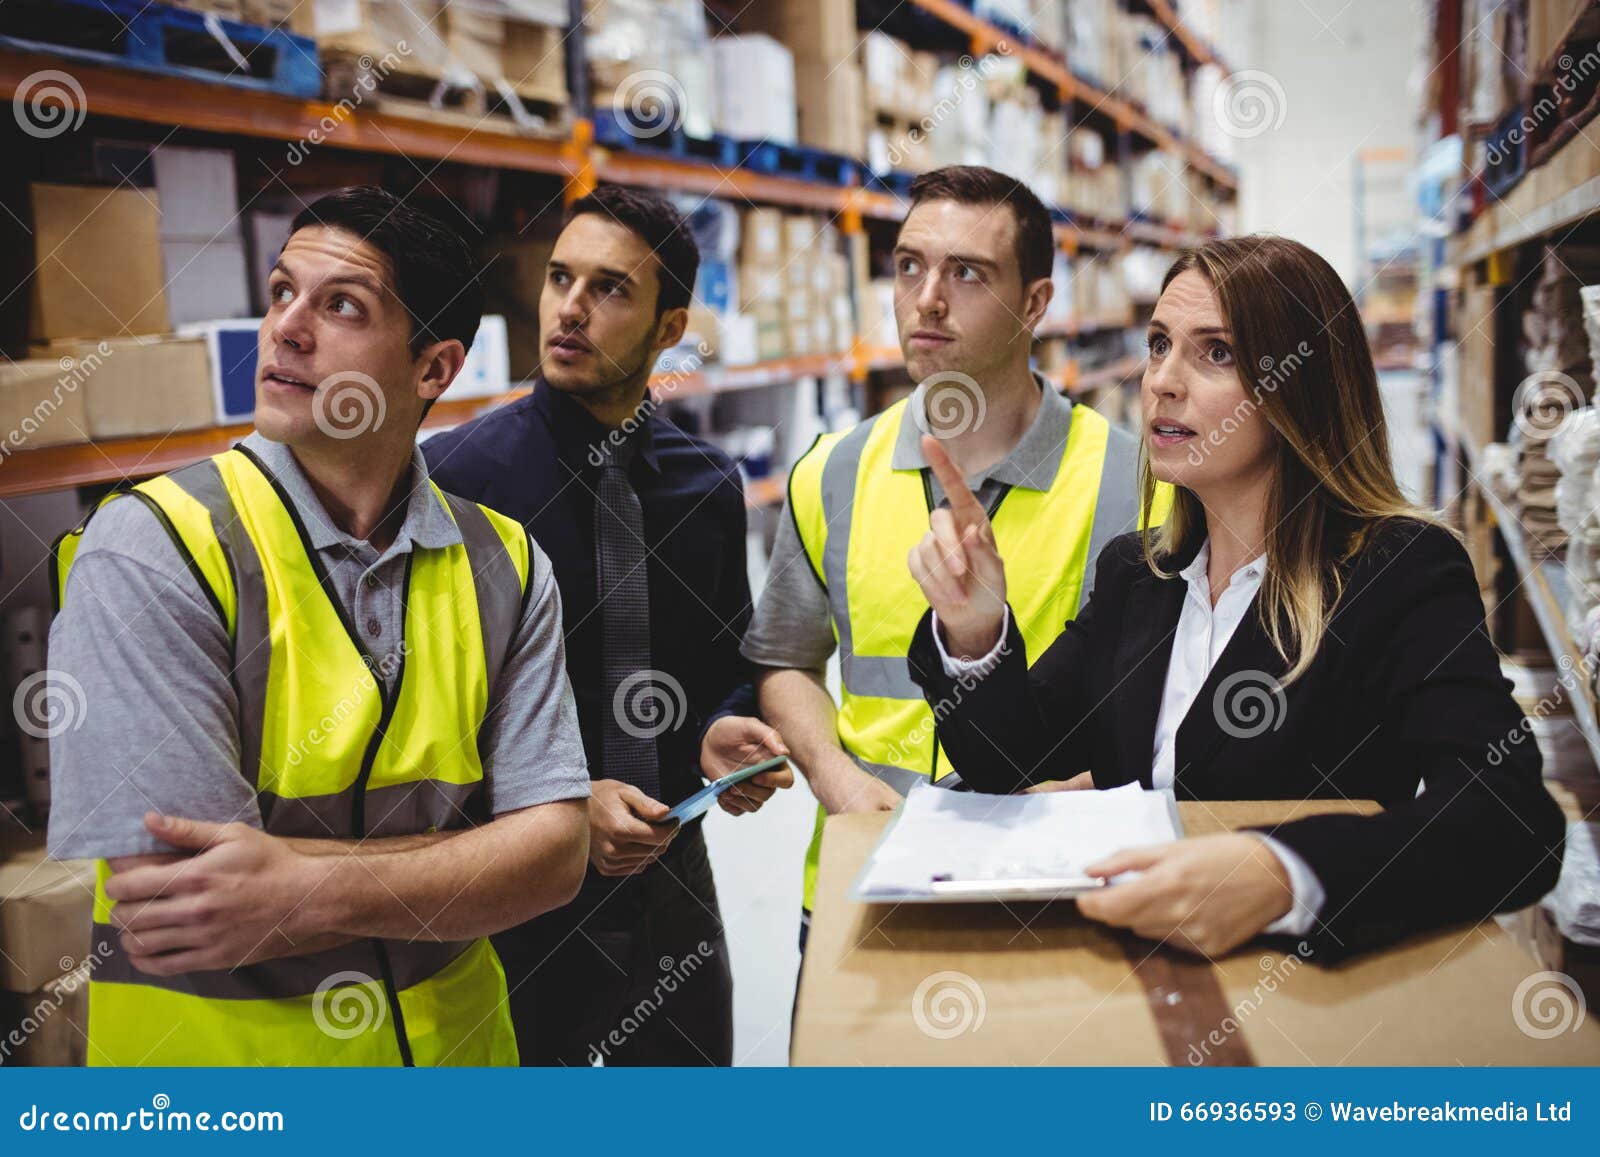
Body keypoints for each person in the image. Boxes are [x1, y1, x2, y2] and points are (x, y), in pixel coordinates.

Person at [45, 186, 592, 1066]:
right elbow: (185, 906)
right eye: (280, 293)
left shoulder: (507, 564)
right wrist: (469, 856)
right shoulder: (155, 548)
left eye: (343, 305)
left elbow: (558, 852)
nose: (287, 329)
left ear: (432, 369)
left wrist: (303, 885)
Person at [906, 234, 1566, 961]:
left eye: (1216, 351)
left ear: (1300, 388)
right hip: (1126, 975)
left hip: (1301, 1005)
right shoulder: (1139, 575)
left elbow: (1512, 821)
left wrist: (1285, 871)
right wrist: (973, 632)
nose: (1163, 380)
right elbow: (1011, 761)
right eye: (1159, 344)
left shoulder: (1398, 572)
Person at [423, 185, 791, 1067]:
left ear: (670, 327)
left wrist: (719, 732)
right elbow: (426, 712)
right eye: (560, 278)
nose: (571, 309)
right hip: (516, 896)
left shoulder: (702, 486)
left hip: (671, 885)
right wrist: (564, 798)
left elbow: (721, 662)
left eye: (612, 289)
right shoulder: (456, 480)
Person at [742, 165, 1159, 939]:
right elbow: (785, 661)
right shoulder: (831, 473)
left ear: (1035, 302)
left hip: (1054, 894)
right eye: (909, 266)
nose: (926, 298)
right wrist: (837, 780)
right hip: (859, 886)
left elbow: (1167, 712)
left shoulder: (1132, 485)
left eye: (966, 273)